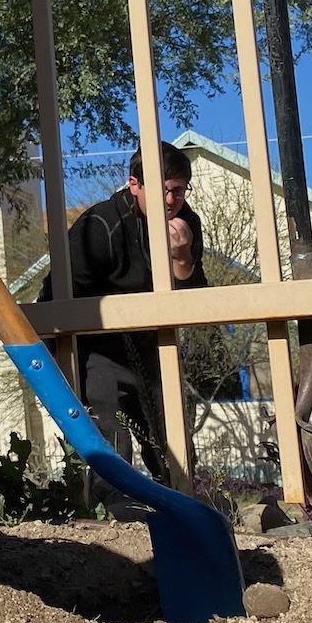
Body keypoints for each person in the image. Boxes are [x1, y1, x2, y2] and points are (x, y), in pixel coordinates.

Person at [55, 142, 207, 504]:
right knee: (110, 447)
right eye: (163, 189)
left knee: (173, 450)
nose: (171, 200)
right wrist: (62, 374)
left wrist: (182, 257)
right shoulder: (100, 225)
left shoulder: (187, 224)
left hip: (154, 349)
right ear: (134, 184)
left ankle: (180, 509)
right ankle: (113, 519)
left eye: (178, 190)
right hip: (98, 353)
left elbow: (195, 300)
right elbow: (57, 298)